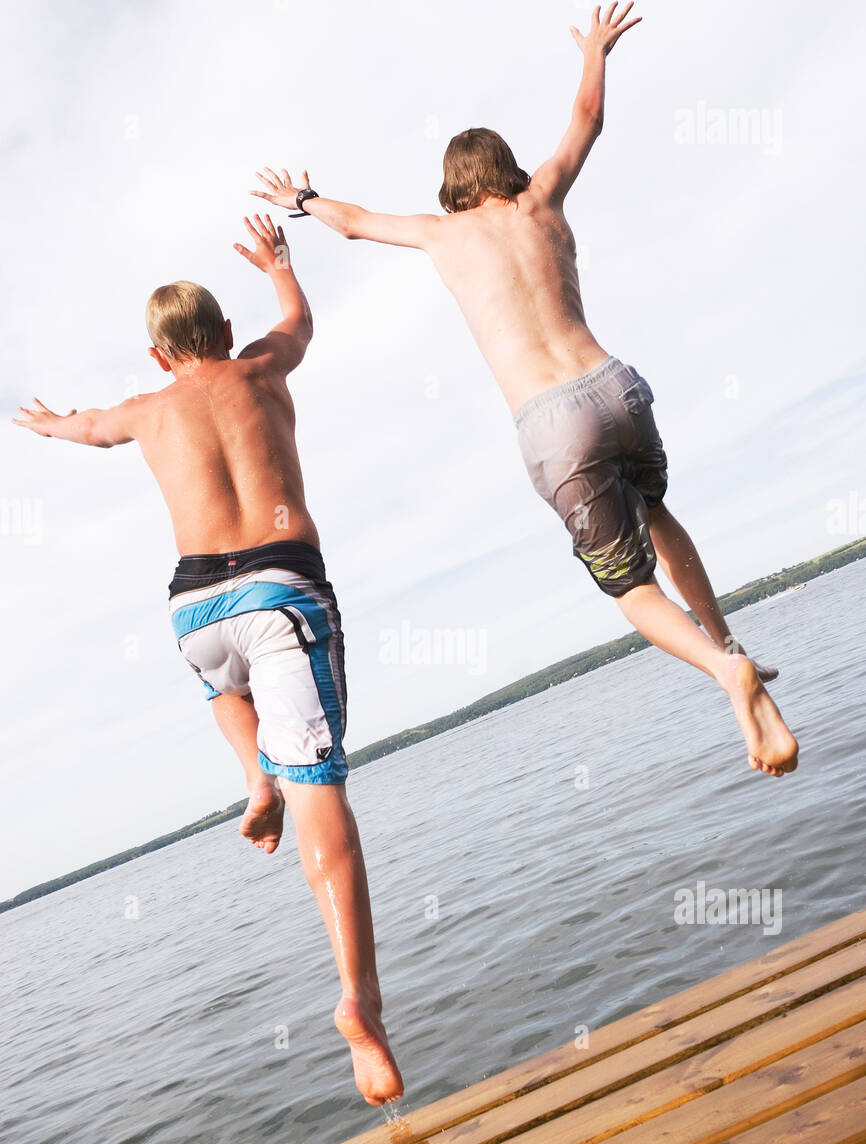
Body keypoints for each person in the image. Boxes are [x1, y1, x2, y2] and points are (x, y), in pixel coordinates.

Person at [251, 3, 798, 778]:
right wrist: (597, 51)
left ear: (451, 188)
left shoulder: (439, 232)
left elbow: (353, 223)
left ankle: (725, 672)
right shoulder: (542, 198)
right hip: (616, 386)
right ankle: (731, 638)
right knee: (661, 511)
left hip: (553, 423)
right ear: (504, 168)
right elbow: (588, 116)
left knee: (631, 588)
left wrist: (303, 200)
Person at [14, 214, 403, 1105]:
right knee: (324, 795)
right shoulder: (262, 367)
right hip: (280, 590)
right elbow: (300, 323)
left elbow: (88, 427)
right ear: (227, 335)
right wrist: (278, 266)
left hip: (194, 607)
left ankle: (251, 775)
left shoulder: (146, 410)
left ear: (158, 359)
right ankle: (360, 1003)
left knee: (220, 683)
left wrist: (46, 426)